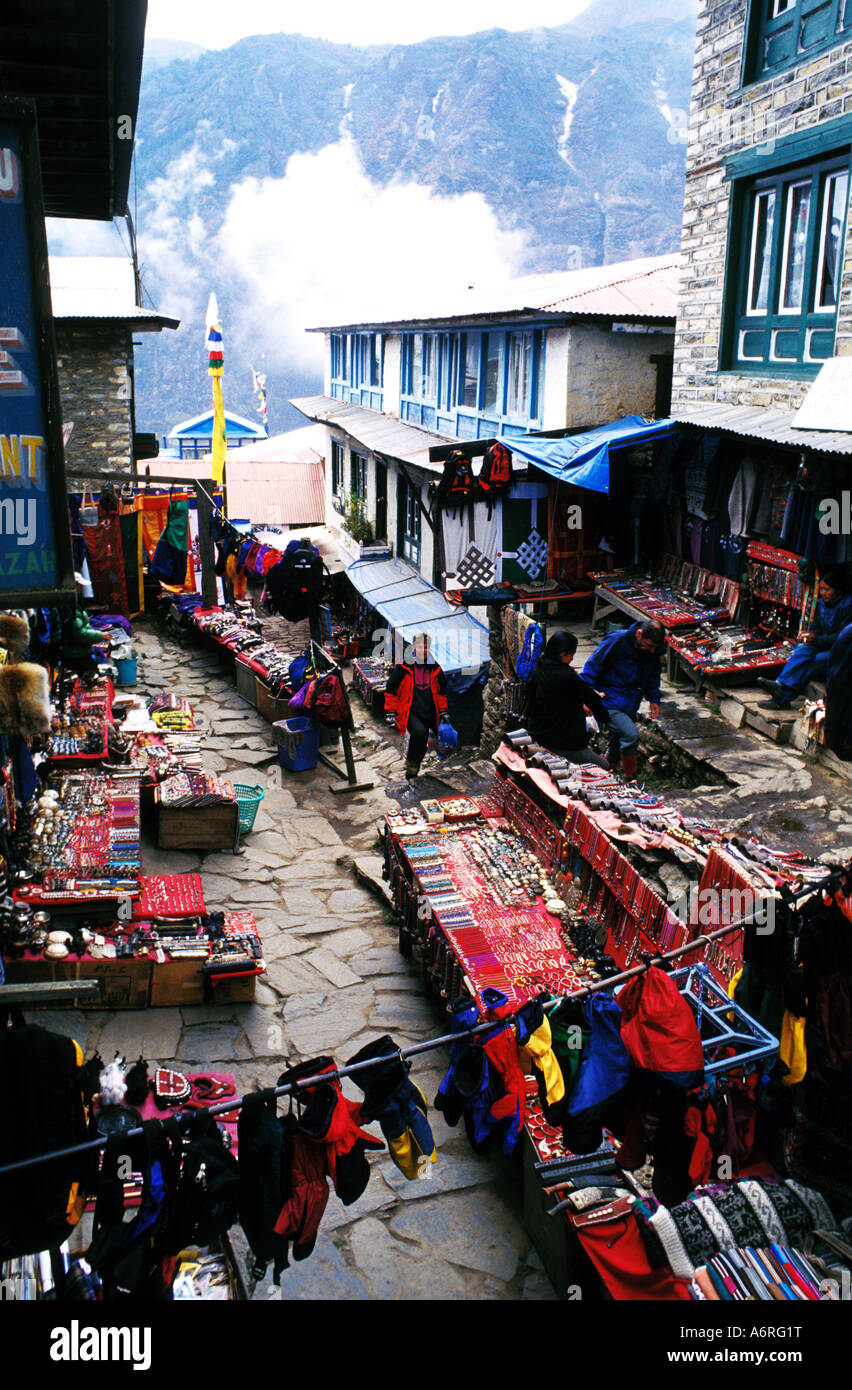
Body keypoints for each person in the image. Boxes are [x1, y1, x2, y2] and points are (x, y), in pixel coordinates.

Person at [581, 619, 665, 779]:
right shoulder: (616, 640)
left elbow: (654, 673)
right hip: (608, 698)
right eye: (649, 646)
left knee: (620, 735)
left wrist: (654, 698)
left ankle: (607, 768)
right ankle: (630, 777)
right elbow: (592, 667)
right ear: (639, 634)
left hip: (630, 700)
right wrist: (587, 695)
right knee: (630, 735)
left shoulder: (653, 650)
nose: (652, 651)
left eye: (655, 648)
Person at [758, 567, 852, 710]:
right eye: (821, 589)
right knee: (802, 649)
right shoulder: (822, 604)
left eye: (827, 589)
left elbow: (842, 639)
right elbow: (816, 627)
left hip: (841, 652)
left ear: (837, 589)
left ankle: (781, 696)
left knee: (812, 663)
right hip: (823, 644)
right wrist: (809, 637)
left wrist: (816, 639)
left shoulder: (847, 606)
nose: (823, 593)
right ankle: (780, 687)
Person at [527, 630, 611, 768]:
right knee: (604, 766)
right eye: (571, 654)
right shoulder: (567, 676)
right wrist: (605, 718)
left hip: (537, 731)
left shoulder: (540, 666)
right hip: (561, 743)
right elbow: (591, 698)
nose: (572, 658)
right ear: (562, 654)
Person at [385, 632, 448, 779]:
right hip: (411, 710)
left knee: (428, 737)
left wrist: (444, 711)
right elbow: (391, 689)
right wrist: (390, 712)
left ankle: (416, 768)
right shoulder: (404, 667)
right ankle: (412, 766)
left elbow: (441, 691)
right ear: (414, 648)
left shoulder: (435, 668)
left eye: (425, 647)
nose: (423, 650)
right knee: (419, 732)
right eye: (420, 647)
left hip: (429, 710)